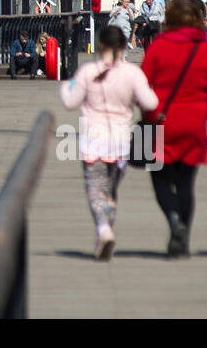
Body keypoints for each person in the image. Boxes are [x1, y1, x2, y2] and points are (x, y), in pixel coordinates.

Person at [61, 25, 160, 260]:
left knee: (96, 191)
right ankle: (106, 232)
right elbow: (151, 102)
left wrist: (67, 86)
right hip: (121, 144)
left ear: (100, 45)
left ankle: (104, 230)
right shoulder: (132, 74)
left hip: (93, 142)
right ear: (124, 46)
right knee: (110, 192)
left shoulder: (87, 71)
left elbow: (70, 101)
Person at [141, 0, 207, 257]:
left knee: (159, 179)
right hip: (195, 123)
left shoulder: (159, 46)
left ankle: (174, 222)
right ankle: (183, 234)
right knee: (186, 183)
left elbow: (143, 85)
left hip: (160, 121)